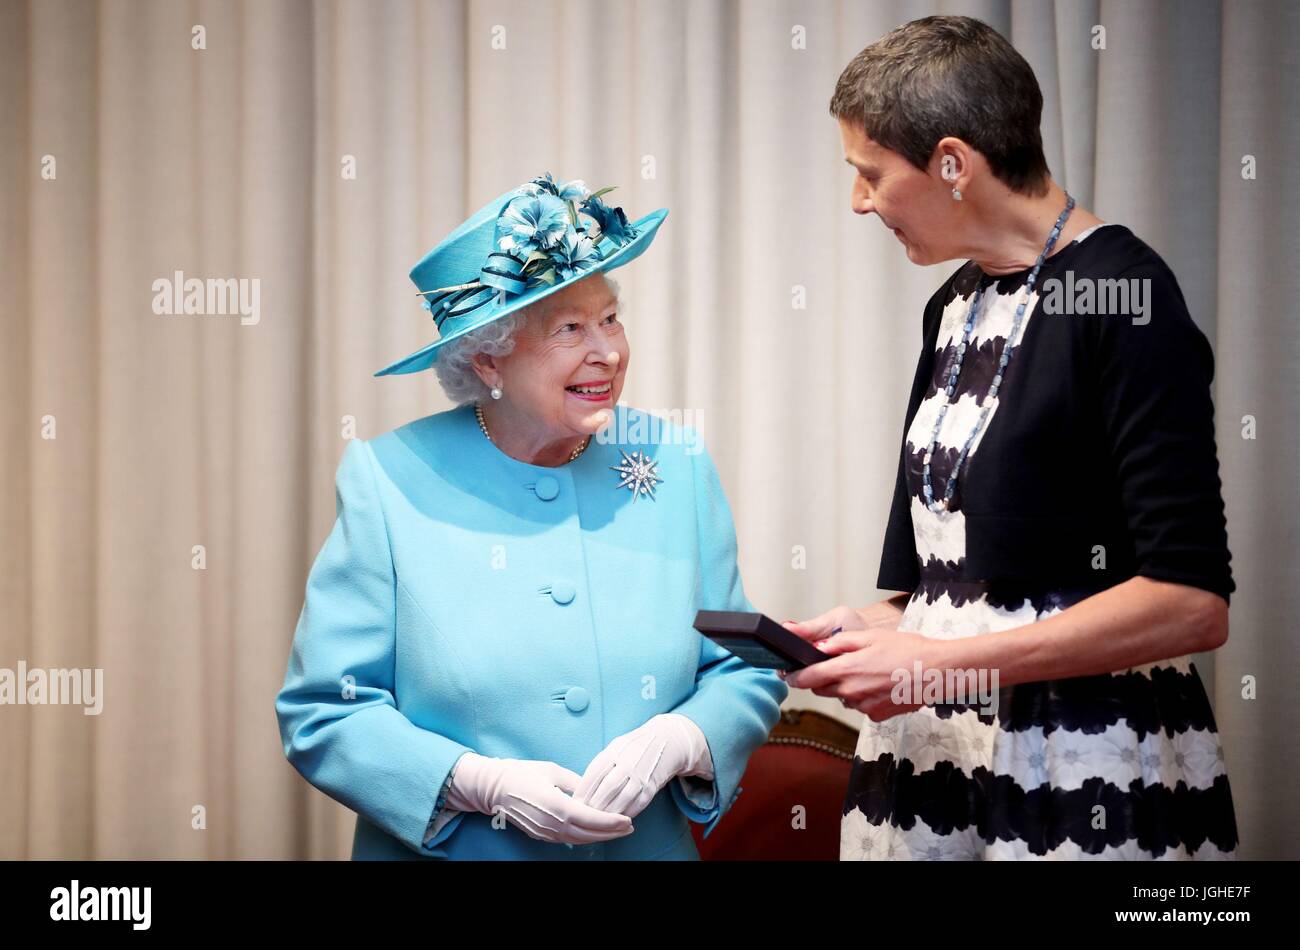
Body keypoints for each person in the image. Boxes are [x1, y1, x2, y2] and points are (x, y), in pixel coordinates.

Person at [784, 16, 1238, 860]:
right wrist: (865, 631)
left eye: (870, 174)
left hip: (1073, 764)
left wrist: (939, 667)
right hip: (937, 758)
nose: (859, 202)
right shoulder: (952, 306)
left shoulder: (1126, 298)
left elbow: (1191, 604)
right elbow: (950, 585)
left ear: (953, 163)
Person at [275, 173, 786, 859]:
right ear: (489, 358)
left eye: (610, 318)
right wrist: (473, 782)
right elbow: (325, 710)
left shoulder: (676, 462)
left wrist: (685, 738)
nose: (606, 352)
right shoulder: (390, 480)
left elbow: (743, 669)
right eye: (569, 329)